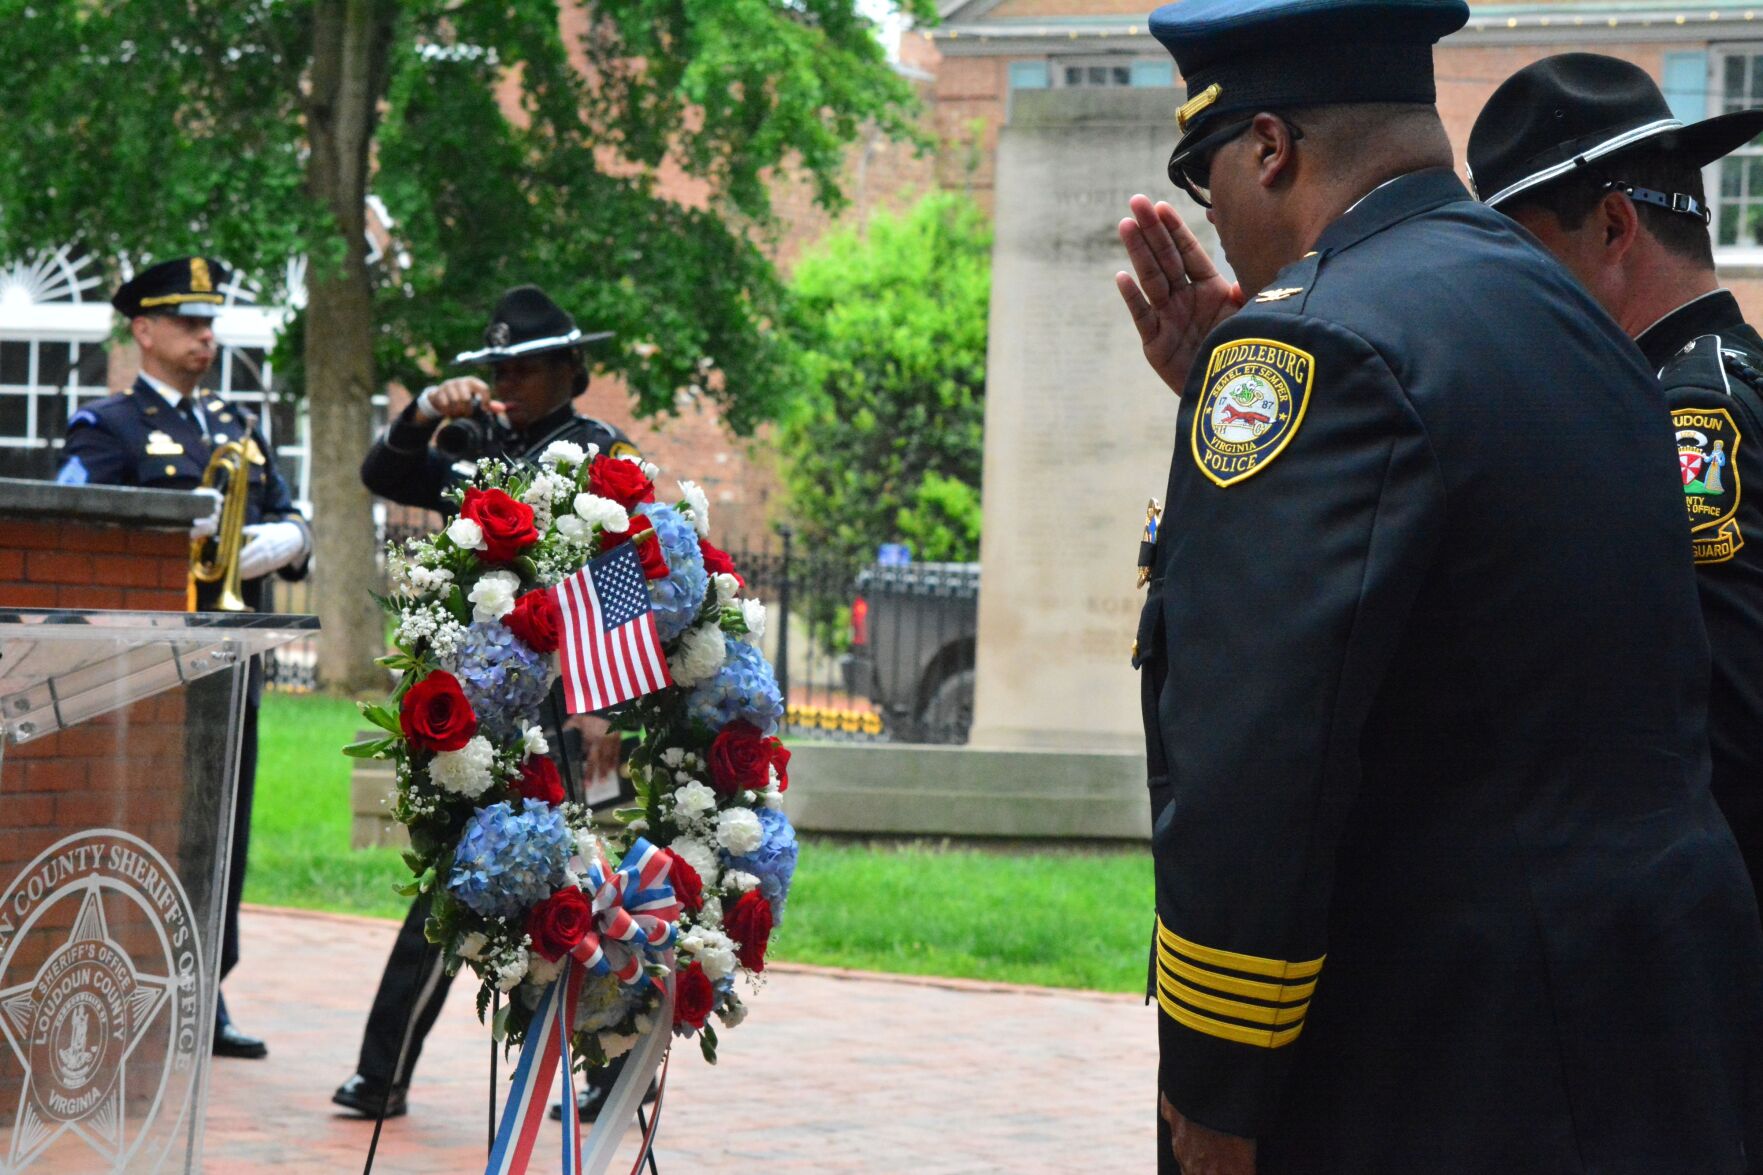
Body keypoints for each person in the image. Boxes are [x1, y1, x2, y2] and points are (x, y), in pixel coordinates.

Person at [1118, 2, 1763, 1171]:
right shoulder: (1572, 316)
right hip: (1638, 1030)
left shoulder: (1311, 346)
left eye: (1207, 184)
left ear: (1269, 147)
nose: (1214, 223)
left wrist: (1216, 1082)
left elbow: (1259, 754)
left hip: (1436, 1060)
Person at [336, 285, 641, 1121]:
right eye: (497, 368)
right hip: (479, 712)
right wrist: (424, 411)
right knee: (454, 880)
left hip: (569, 709)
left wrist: (606, 707)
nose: (506, 383)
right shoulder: (479, 445)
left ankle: (612, 1069)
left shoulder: (599, 454)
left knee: (585, 891)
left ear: (571, 369)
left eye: (523, 369)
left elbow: (623, 582)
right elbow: (383, 474)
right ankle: (382, 1072)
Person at [1468, 53, 1763, 905]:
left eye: (1522, 255)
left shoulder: (1690, 413)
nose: (1507, 291)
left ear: (1610, 226)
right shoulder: (1704, 379)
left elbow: (1726, 721)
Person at [55, 255, 313, 1061]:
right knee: (142, 819)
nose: (206, 336)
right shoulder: (107, 426)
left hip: (230, 660)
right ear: (143, 329)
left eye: (210, 323)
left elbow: (287, 511)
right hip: (148, 662)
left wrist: (288, 537)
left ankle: (203, 985)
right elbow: (77, 526)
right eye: (189, 322)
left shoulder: (237, 424)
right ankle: (121, 979)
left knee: (219, 827)